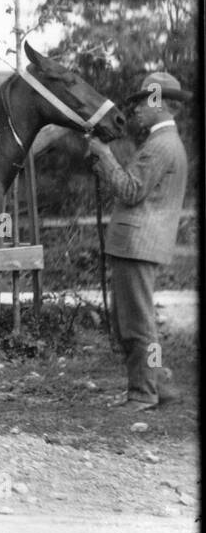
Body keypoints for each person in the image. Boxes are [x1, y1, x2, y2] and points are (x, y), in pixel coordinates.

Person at [87, 71, 190, 412]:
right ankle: (158, 383)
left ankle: (143, 393)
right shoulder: (164, 143)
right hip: (141, 244)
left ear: (160, 102)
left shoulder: (160, 146)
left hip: (138, 244)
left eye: (142, 102)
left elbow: (131, 190)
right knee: (137, 320)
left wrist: (104, 156)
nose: (134, 111)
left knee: (135, 324)